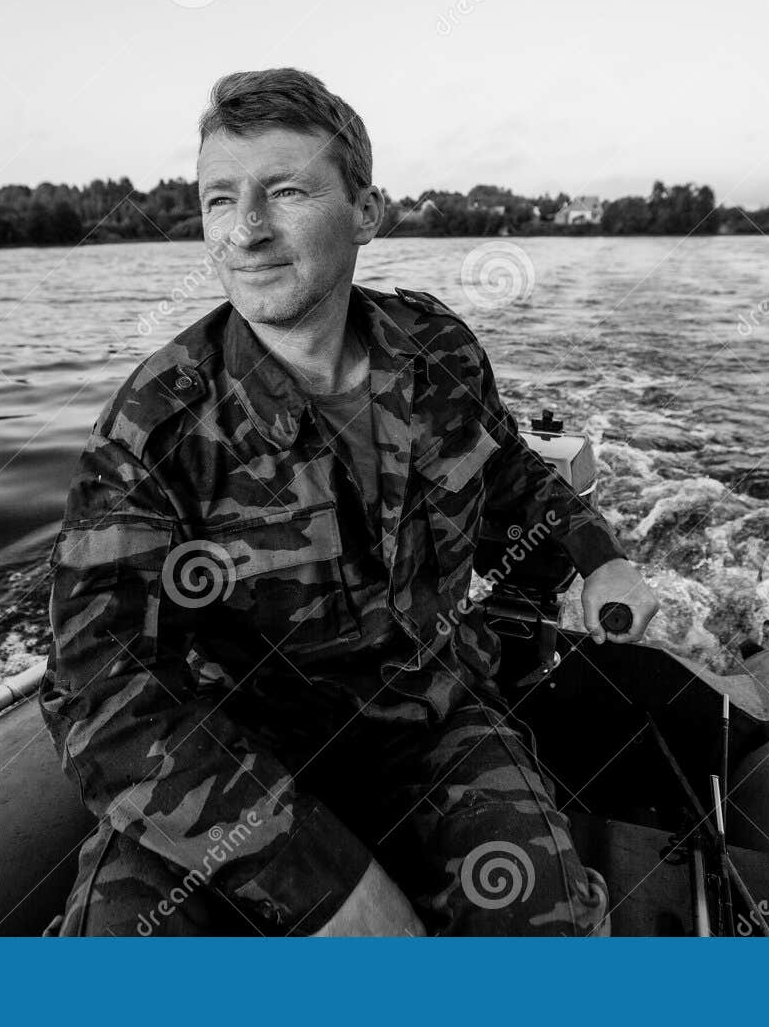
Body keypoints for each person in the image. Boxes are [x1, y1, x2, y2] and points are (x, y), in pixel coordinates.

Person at [38, 67, 659, 937]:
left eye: (284, 192)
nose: (245, 232)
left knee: (545, 934)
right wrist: (326, 886)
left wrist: (599, 554)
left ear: (366, 211)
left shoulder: (434, 347)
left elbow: (512, 471)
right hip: (234, 764)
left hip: (426, 726)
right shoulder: (158, 423)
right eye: (220, 201)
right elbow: (96, 688)